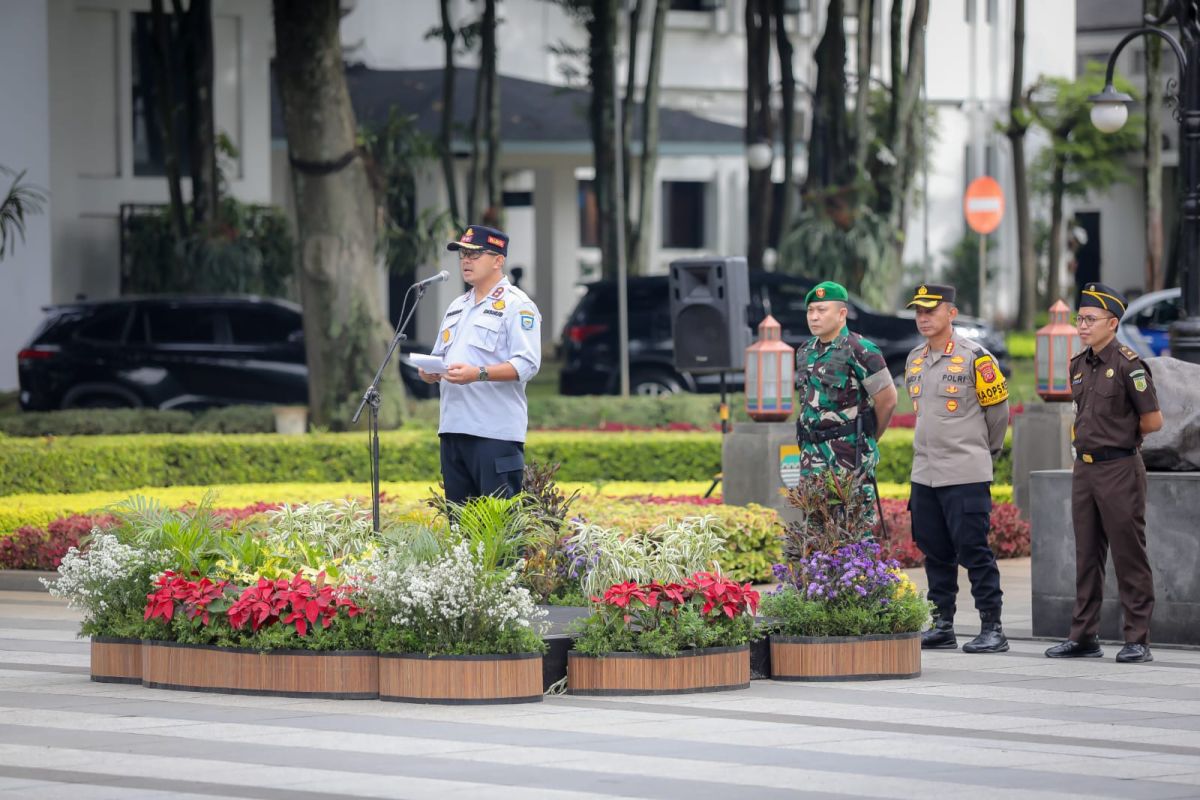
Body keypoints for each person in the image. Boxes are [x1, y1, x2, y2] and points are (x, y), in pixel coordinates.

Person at [1045, 282, 1163, 664]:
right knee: (1086, 555)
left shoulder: (1129, 365)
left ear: (1112, 323)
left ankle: (1138, 639)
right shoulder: (1078, 365)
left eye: (1090, 320)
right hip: (1085, 469)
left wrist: (1120, 438)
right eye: (1080, 319)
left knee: (1129, 555)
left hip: (1120, 469)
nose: (1082, 326)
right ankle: (1083, 636)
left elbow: (1153, 420)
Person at [904, 283, 1010, 653]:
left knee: (974, 551)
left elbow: (998, 415)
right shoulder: (914, 359)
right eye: (918, 311)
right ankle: (942, 624)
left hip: (965, 473)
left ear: (951, 313)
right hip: (925, 473)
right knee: (934, 551)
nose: (923, 318)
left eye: (930, 310)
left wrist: (983, 452)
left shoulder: (976, 358)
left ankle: (992, 627)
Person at [418, 224, 542, 503]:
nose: (466, 260)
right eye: (463, 254)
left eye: (475, 254)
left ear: (498, 260)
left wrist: (478, 373)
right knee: (459, 523)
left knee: (498, 524)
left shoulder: (517, 305)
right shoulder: (457, 306)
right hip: (453, 429)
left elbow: (527, 364)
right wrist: (429, 371)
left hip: (493, 433)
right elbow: (439, 358)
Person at [794, 280, 898, 519]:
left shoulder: (861, 349)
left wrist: (870, 437)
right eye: (810, 310)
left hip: (848, 457)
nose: (814, 317)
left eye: (822, 310)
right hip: (811, 456)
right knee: (814, 528)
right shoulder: (805, 351)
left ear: (842, 314)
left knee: (853, 528)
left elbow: (888, 400)